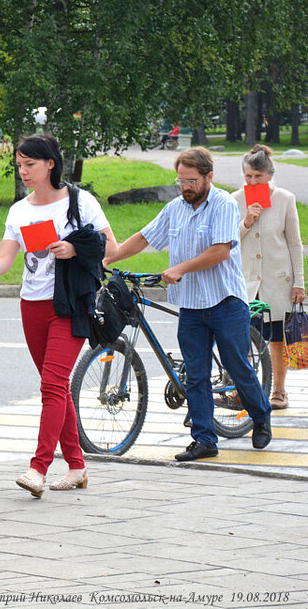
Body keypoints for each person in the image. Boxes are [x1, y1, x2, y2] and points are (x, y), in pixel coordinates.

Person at [0, 135, 116, 496]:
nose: (23, 172)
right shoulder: (19, 210)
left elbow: (110, 247)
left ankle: (38, 468)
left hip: (69, 304)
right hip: (31, 305)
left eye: (29, 165)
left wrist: (72, 249)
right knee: (57, 388)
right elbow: (5, 259)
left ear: (50, 163)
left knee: (50, 386)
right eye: (19, 166)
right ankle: (77, 466)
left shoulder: (81, 202)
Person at [107, 146, 272, 462]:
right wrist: (109, 257)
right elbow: (144, 237)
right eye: (181, 180)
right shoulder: (175, 208)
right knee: (196, 373)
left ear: (209, 177)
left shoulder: (222, 204)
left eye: (192, 180)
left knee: (237, 365)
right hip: (192, 306)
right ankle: (204, 440)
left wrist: (180, 268)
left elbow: (221, 251)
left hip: (226, 301)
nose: (185, 186)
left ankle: (261, 414)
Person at [231, 145, 305, 410]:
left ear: (269, 175)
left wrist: (299, 282)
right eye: (248, 176)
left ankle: (279, 391)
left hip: (278, 280)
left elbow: (294, 243)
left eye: (257, 176)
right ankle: (243, 390)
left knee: (276, 339)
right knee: (243, 338)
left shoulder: (285, 198)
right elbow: (229, 241)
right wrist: (247, 222)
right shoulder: (235, 200)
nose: (252, 181)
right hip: (246, 281)